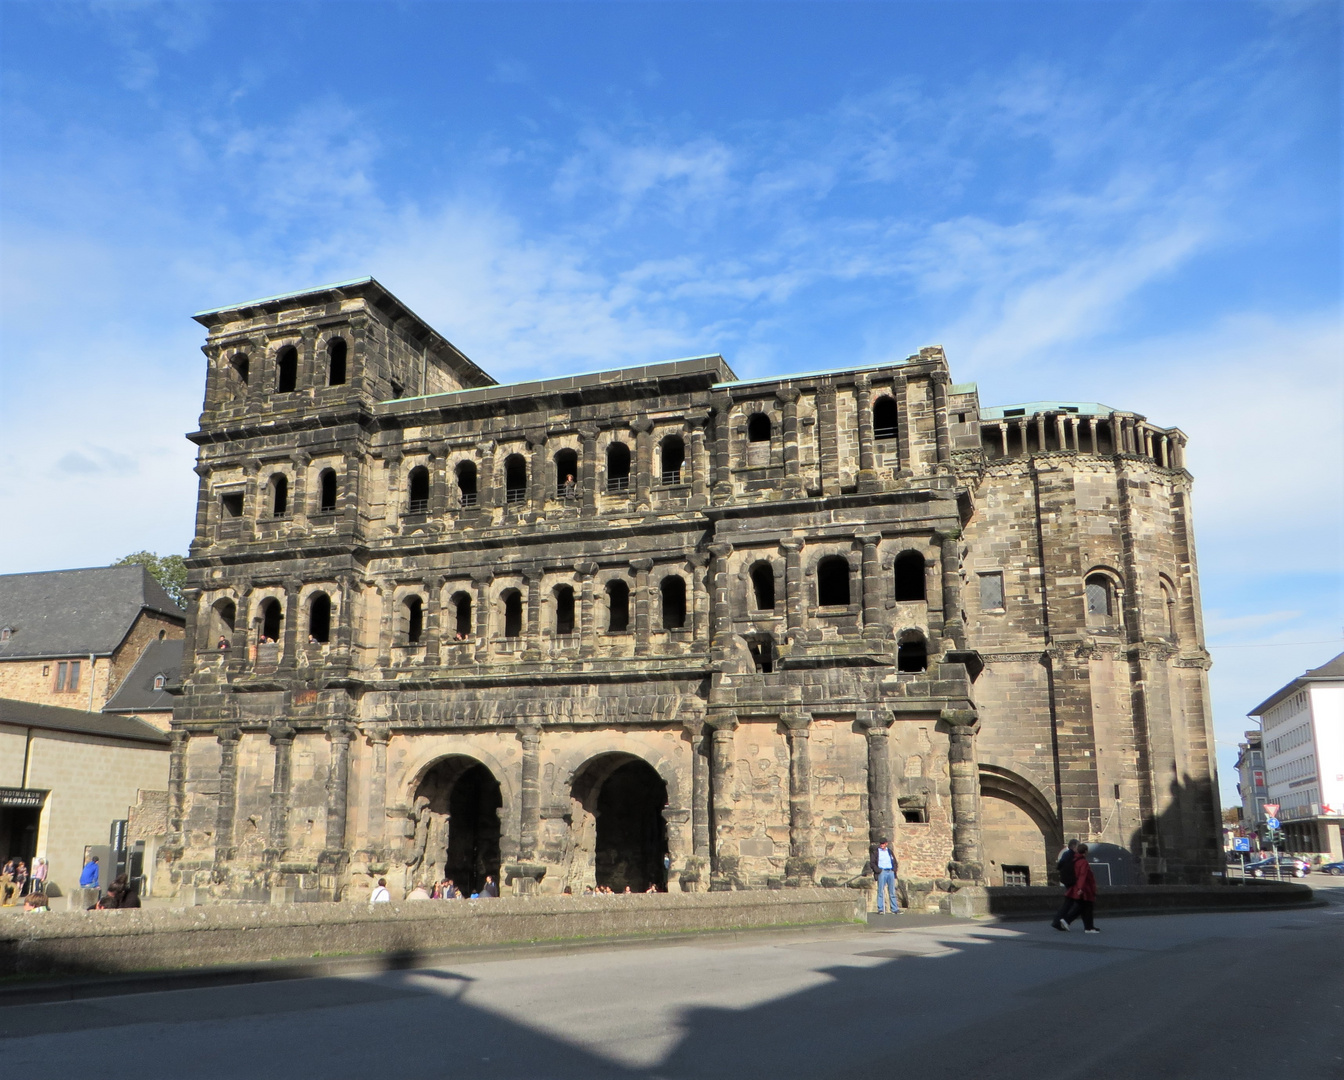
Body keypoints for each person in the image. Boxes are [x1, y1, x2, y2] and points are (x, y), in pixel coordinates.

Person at [1058, 842, 1099, 933]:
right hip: (1085, 888)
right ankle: (1069, 921)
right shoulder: (1083, 862)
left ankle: (1089, 927)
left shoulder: (1075, 860)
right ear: (1085, 851)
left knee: (1084, 907)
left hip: (1078, 887)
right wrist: (1080, 888)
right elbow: (1082, 875)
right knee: (1085, 907)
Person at [1051, 839, 1080, 931]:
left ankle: (1058, 921)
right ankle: (1064, 921)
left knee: (1069, 902)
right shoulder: (1074, 856)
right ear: (1074, 846)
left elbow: (1059, 866)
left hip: (1067, 882)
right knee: (1081, 903)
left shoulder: (1065, 854)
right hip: (1073, 882)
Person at [870, 838, 900, 914]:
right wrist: (878, 870)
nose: (881, 845)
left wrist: (894, 870)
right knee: (880, 891)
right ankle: (880, 909)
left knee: (892, 891)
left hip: (890, 871)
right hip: (882, 871)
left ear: (886, 844)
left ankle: (894, 909)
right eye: (881, 843)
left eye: (883, 843)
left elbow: (895, 862)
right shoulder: (876, 852)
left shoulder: (889, 851)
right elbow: (872, 863)